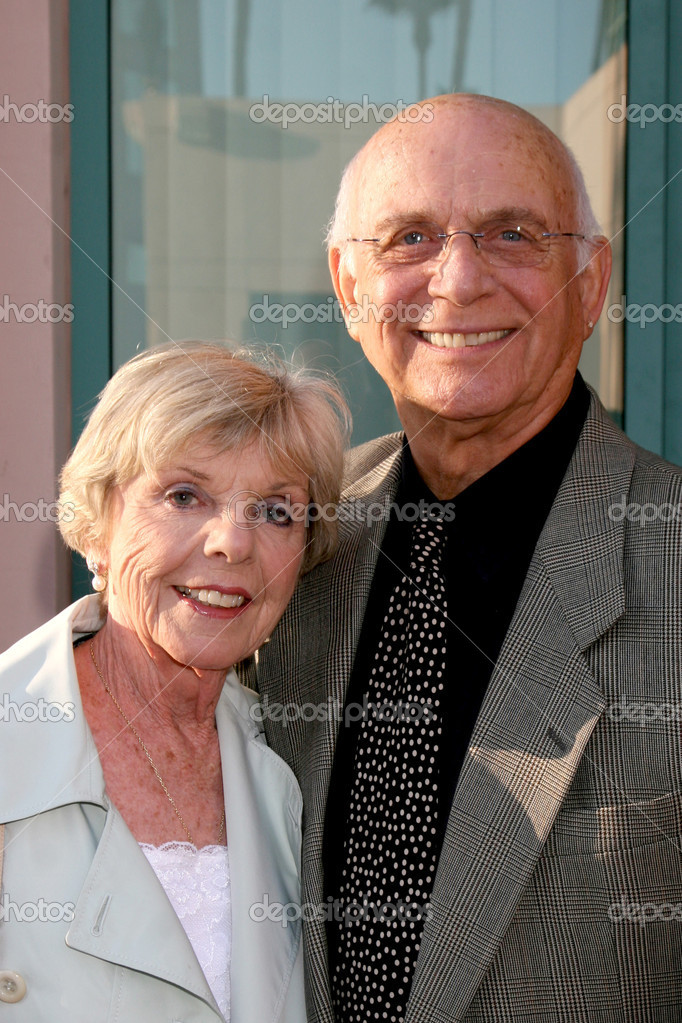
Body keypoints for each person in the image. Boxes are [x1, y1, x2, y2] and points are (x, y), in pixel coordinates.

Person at [255, 95, 682, 1022]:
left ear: (592, 281)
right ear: (346, 285)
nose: (456, 281)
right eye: (408, 238)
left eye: (513, 234)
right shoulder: (290, 541)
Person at [0, 340, 348, 1021]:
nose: (232, 542)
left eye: (276, 510)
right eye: (185, 495)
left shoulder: (296, 754)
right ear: (98, 523)